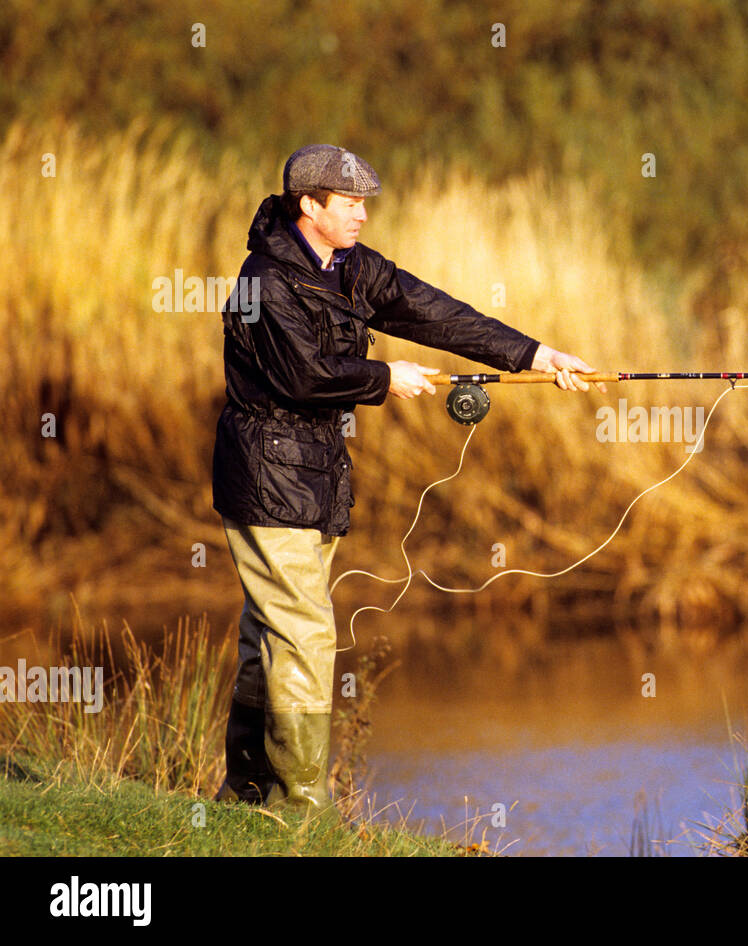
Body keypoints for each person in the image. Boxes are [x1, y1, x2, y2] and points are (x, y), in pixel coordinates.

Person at [211, 144, 604, 822]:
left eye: (365, 203)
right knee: (304, 636)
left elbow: (432, 312)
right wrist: (385, 377)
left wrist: (536, 355)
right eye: (350, 202)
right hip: (267, 477)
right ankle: (301, 808)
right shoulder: (265, 283)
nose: (363, 214)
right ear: (310, 205)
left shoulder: (351, 267)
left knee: (271, 635)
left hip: (314, 477)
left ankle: (247, 795)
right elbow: (302, 376)